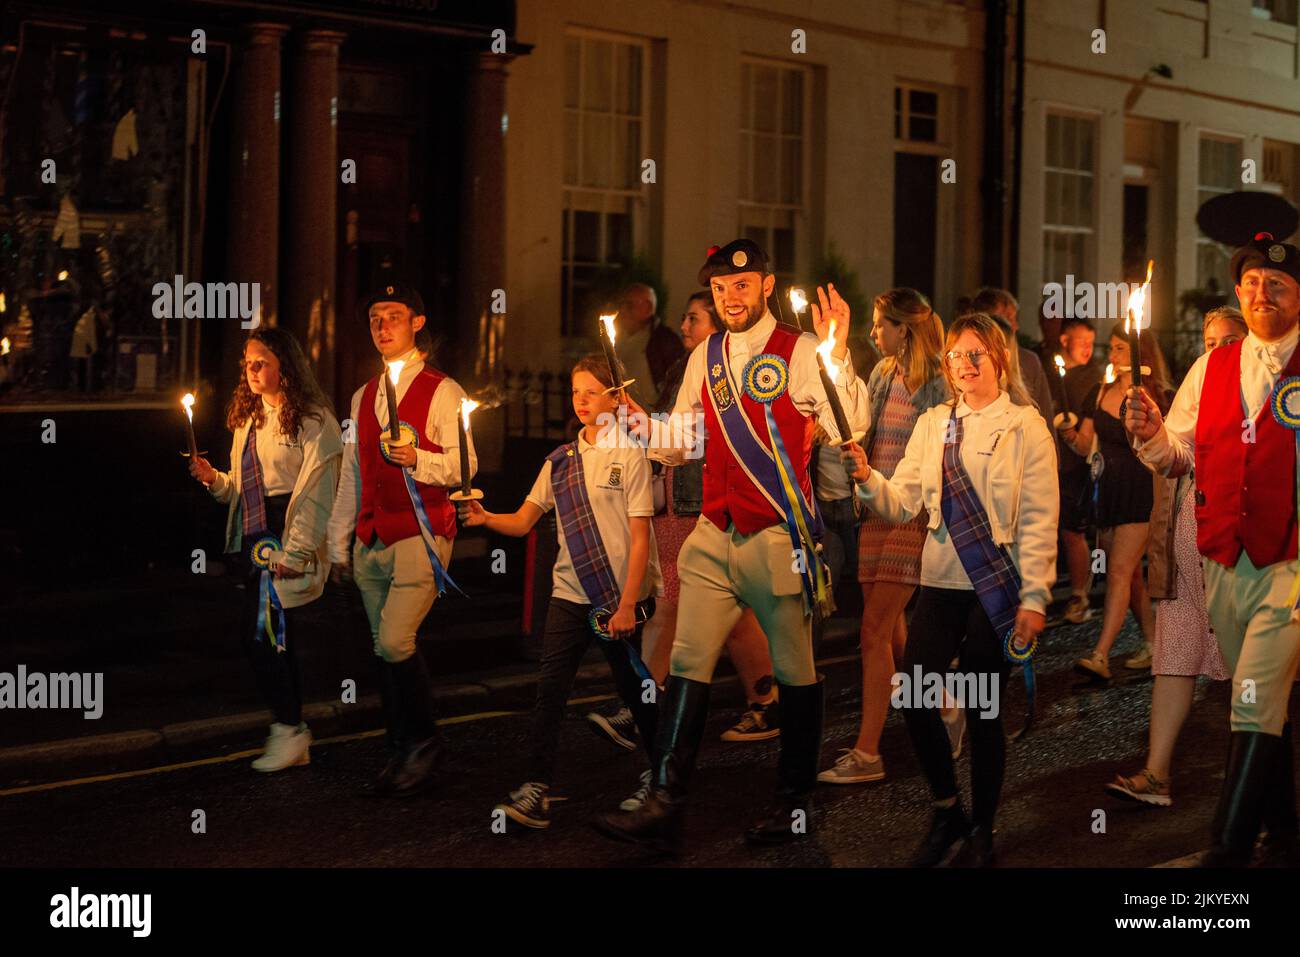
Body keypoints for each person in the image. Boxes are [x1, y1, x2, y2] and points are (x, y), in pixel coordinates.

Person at [592, 239, 869, 852]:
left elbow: (853, 420)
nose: (729, 297)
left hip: (777, 535)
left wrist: (839, 351)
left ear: (766, 286)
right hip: (713, 534)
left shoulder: (798, 351)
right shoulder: (706, 355)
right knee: (688, 663)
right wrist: (637, 420)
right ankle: (665, 798)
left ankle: (795, 803)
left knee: (796, 669)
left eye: (741, 286)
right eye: (719, 289)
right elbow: (681, 440)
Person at [843, 311, 1057, 867]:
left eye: (975, 354)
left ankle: (982, 827)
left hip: (997, 586)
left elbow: (1039, 519)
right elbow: (902, 501)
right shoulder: (934, 423)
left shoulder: (1026, 427)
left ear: (999, 360)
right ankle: (946, 811)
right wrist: (868, 478)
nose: (964, 365)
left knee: (984, 709)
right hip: (940, 581)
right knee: (914, 696)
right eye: (956, 356)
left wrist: (1035, 599)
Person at [1125, 231, 1300, 866]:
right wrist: (1150, 433)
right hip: (1223, 564)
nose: (1262, 293)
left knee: (1252, 695)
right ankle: (1283, 831)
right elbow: (1179, 453)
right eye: (1252, 283)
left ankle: (1222, 855)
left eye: (1277, 284)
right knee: (1262, 696)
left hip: (1291, 567)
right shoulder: (1213, 366)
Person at [459, 356, 663, 829]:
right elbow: (526, 519)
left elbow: (639, 538)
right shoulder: (560, 462)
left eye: (592, 392)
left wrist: (630, 603)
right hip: (569, 593)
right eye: (576, 392)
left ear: (615, 398)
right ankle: (537, 788)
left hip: (618, 596)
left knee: (637, 692)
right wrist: (488, 518)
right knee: (549, 692)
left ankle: (659, 775)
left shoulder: (630, 453)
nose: (581, 401)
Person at [587, 291, 782, 749]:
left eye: (694, 318)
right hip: (675, 497)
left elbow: (704, 440)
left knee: (675, 603)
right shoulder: (685, 367)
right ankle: (763, 701)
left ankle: (644, 708)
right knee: (715, 610)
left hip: (701, 502)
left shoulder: (730, 375)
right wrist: (635, 413)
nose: (684, 325)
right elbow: (667, 428)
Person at [327, 281, 476, 798]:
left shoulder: (443, 389)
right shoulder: (361, 396)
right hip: (371, 536)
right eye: (374, 317)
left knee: (395, 641)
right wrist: (337, 540)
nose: (382, 326)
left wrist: (421, 461)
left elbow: (465, 466)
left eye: (393, 316)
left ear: (417, 322)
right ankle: (401, 745)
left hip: (421, 531)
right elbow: (352, 473)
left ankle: (424, 743)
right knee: (383, 647)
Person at [1106, 308, 1243, 807]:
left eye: (1230, 339)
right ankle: (1157, 774)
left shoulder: (1276, 380)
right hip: (1193, 536)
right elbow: (1175, 453)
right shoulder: (1203, 375)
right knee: (1176, 655)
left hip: (1248, 545)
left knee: (1252, 667)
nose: (1218, 348)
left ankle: (1256, 796)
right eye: (1210, 340)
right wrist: (1153, 431)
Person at [189, 328, 343, 771]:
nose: (251, 370)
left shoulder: (314, 421)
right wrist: (213, 479)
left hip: (286, 532)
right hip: (255, 536)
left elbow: (317, 493)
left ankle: (289, 729)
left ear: (285, 367)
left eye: (261, 362)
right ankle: (291, 730)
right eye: (247, 362)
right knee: (274, 638)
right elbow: (241, 489)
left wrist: (296, 554)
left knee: (261, 634)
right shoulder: (248, 418)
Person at [819, 288, 953, 786]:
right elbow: (866, 430)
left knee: (873, 630)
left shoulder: (939, 382)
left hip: (912, 516)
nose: (873, 334)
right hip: (876, 509)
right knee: (893, 629)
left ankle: (868, 751)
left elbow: (942, 455)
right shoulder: (880, 374)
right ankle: (945, 705)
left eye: (881, 325)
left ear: (904, 329)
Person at [1063, 321, 1172, 679]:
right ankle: (1155, 645)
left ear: (1141, 353)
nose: (1113, 355)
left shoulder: (1154, 395)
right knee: (1130, 577)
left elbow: (1164, 449)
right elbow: (1085, 446)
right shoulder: (1100, 392)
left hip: (1141, 491)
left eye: (1121, 348)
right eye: (1111, 348)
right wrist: (1067, 432)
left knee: (1120, 570)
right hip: (1107, 491)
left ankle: (1100, 655)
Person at [1051, 317, 1102, 623]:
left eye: (1091, 343)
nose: (1086, 349)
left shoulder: (1092, 379)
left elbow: (1084, 443)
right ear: (1065, 341)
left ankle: (1080, 595)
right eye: (1080, 342)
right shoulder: (1053, 374)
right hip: (1049, 464)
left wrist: (1070, 433)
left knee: (1073, 531)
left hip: (1075, 470)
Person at [970, 287, 1055, 423]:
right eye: (1008, 318)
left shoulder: (1028, 361)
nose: (1015, 325)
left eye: (1014, 318)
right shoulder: (965, 362)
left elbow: (1044, 413)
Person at [615, 282, 685, 409]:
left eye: (629, 305)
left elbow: (676, 384)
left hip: (652, 418)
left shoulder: (665, 341)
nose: (623, 310)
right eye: (622, 304)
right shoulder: (617, 338)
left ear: (648, 307)